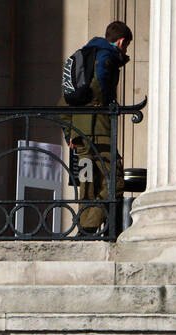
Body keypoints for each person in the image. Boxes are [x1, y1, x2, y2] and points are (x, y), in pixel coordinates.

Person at [59, 20, 131, 234]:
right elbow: (99, 89)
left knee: (87, 185)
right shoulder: (106, 58)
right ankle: (89, 228)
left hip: (81, 137)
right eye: (126, 46)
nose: (125, 50)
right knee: (115, 182)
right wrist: (108, 103)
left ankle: (85, 229)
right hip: (100, 134)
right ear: (122, 41)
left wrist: (69, 133)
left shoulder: (84, 56)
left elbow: (63, 102)